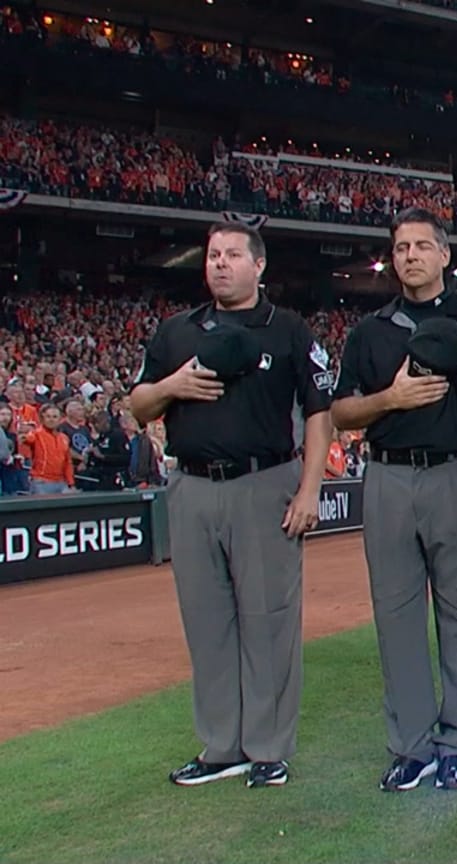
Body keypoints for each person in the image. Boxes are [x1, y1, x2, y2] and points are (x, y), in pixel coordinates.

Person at [129, 221, 332, 788]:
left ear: (258, 265)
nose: (220, 263)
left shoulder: (287, 328)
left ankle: (267, 748)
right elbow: (139, 404)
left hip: (263, 483)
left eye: (232, 255)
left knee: (268, 621)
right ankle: (221, 747)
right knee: (207, 623)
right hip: (191, 486)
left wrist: (310, 489)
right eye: (213, 255)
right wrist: (173, 386)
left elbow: (320, 410)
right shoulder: (177, 331)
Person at [331, 208, 457, 793]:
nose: (410, 255)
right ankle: (411, 749)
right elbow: (342, 412)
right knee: (396, 619)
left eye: (421, 246)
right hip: (388, 476)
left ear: (444, 255)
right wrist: (390, 398)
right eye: (401, 248)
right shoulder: (370, 331)